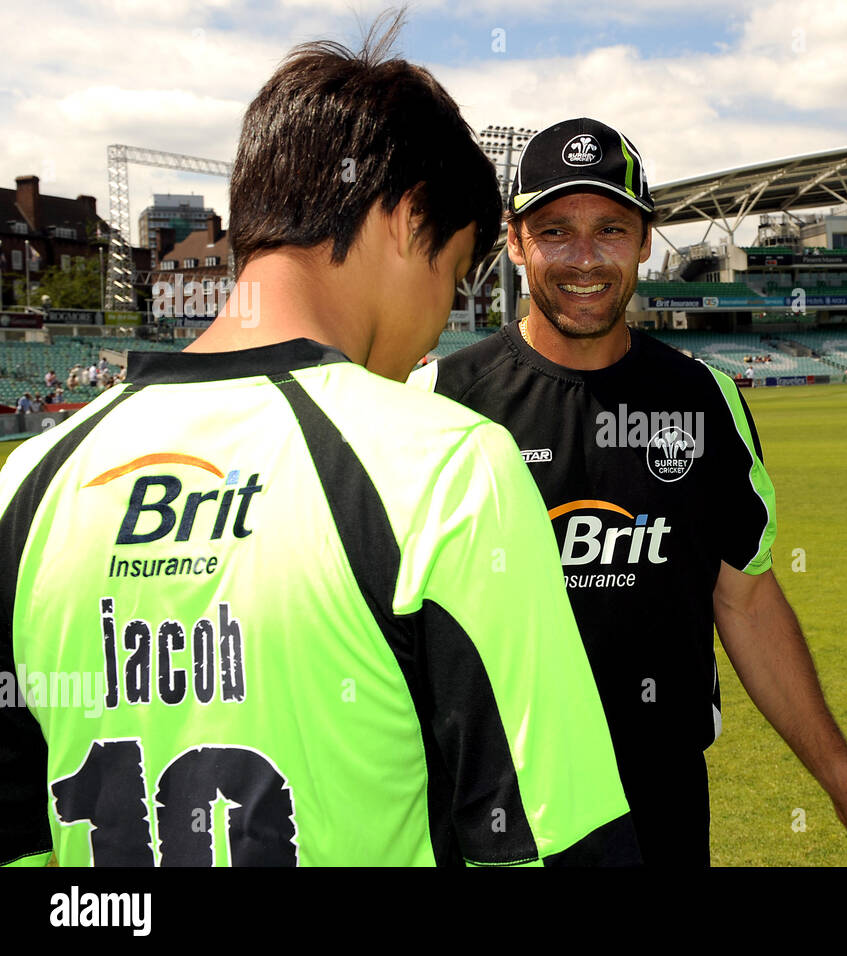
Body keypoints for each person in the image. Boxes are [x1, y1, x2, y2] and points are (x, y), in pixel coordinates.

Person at [0, 14, 635, 868]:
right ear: (410, 219)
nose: (434, 333)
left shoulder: (32, 484)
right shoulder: (447, 468)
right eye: (450, 280)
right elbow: (558, 850)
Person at [410, 117, 847, 867]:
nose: (584, 259)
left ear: (646, 240)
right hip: (487, 816)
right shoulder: (440, 402)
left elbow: (745, 601)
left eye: (611, 230)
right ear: (516, 243)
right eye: (555, 231)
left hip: (662, 811)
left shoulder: (705, 401)